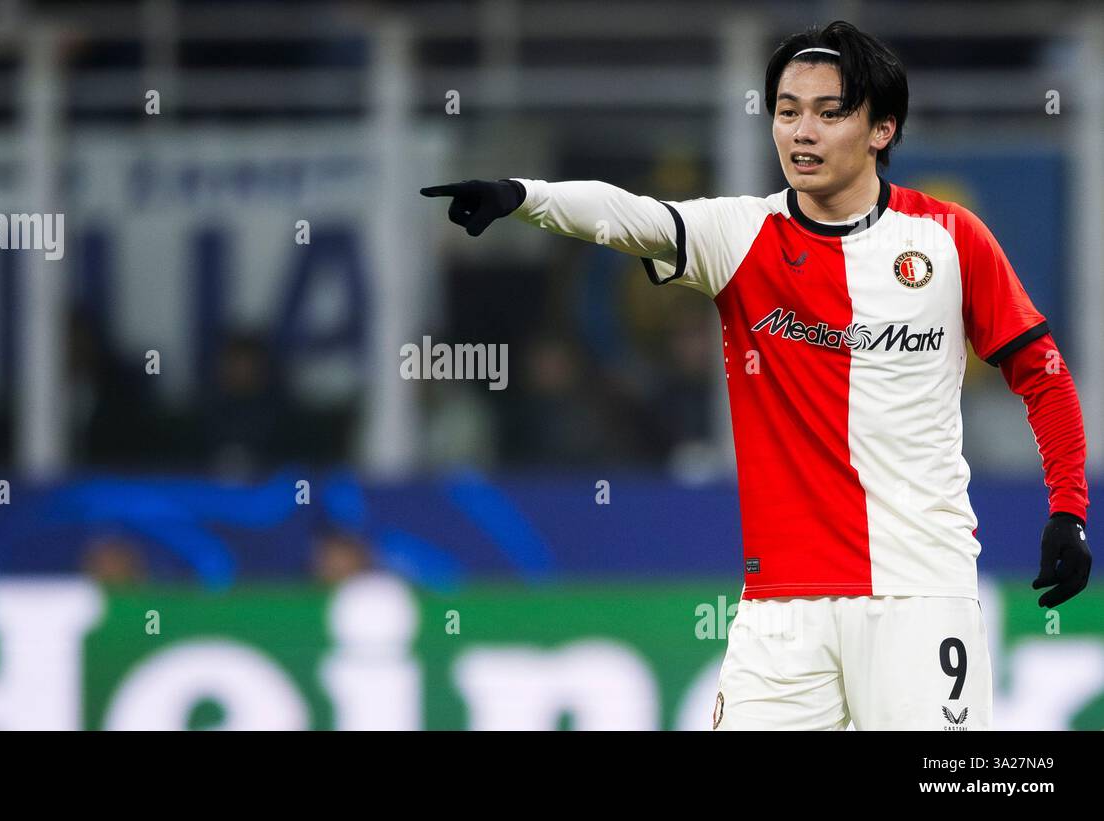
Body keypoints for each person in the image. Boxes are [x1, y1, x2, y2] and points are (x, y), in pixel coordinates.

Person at [419, 20, 1090, 730]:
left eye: (829, 113)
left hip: (920, 594)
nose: (802, 131)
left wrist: (1069, 509)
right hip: (782, 615)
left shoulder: (951, 239)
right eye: (787, 110)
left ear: (881, 129)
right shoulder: (741, 237)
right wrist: (522, 195)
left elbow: (1041, 374)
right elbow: (630, 217)